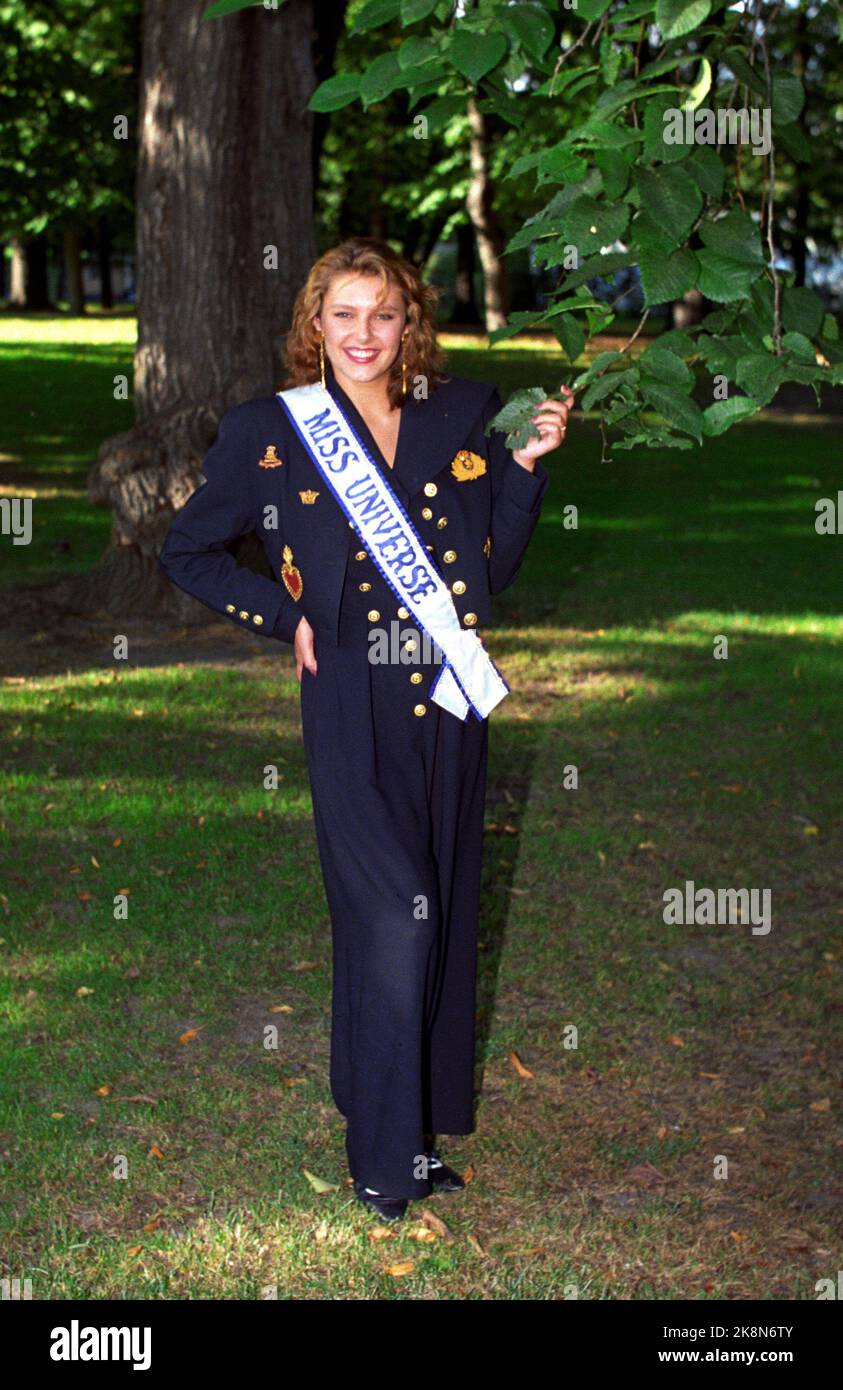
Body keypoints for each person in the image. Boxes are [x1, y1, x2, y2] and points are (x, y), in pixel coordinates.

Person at [158, 237, 573, 1221]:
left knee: (433, 905)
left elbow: (493, 567)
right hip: (349, 694)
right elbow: (189, 548)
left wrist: (522, 468)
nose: (363, 334)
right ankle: (385, 1161)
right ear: (315, 323)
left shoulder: (463, 415)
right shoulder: (272, 428)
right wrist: (284, 615)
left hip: (447, 695)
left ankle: (402, 1120)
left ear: (409, 322)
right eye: (343, 314)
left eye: (383, 314)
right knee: (398, 913)